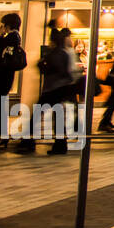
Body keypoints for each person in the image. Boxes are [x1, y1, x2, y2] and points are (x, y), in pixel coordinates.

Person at [39, 27, 80, 155]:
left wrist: (42, 64)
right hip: (60, 89)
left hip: (54, 89)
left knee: (39, 114)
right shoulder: (65, 52)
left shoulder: (57, 53)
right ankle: (60, 145)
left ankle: (27, 142)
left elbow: (58, 71)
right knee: (58, 117)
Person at [0, 13, 24, 150]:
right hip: (5, 78)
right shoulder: (14, 37)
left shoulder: (11, 37)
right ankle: (2, 136)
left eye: (3, 25)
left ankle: (2, 137)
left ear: (7, 25)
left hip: (2, 79)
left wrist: (0, 35)